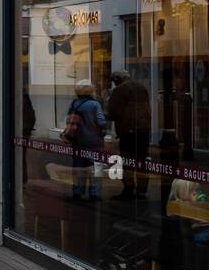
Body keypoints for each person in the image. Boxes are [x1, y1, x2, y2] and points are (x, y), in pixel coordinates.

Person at [108, 69, 152, 200]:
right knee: (142, 160)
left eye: (114, 81)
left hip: (128, 130)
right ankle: (142, 190)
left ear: (117, 79)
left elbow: (114, 112)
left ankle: (128, 189)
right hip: (144, 129)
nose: (114, 84)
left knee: (127, 161)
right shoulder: (141, 87)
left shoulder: (119, 90)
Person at [65, 79, 107, 201]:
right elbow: (101, 122)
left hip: (78, 140)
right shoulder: (95, 104)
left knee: (78, 167)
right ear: (91, 90)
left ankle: (77, 191)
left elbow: (69, 119)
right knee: (96, 167)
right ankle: (95, 192)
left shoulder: (74, 103)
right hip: (94, 141)